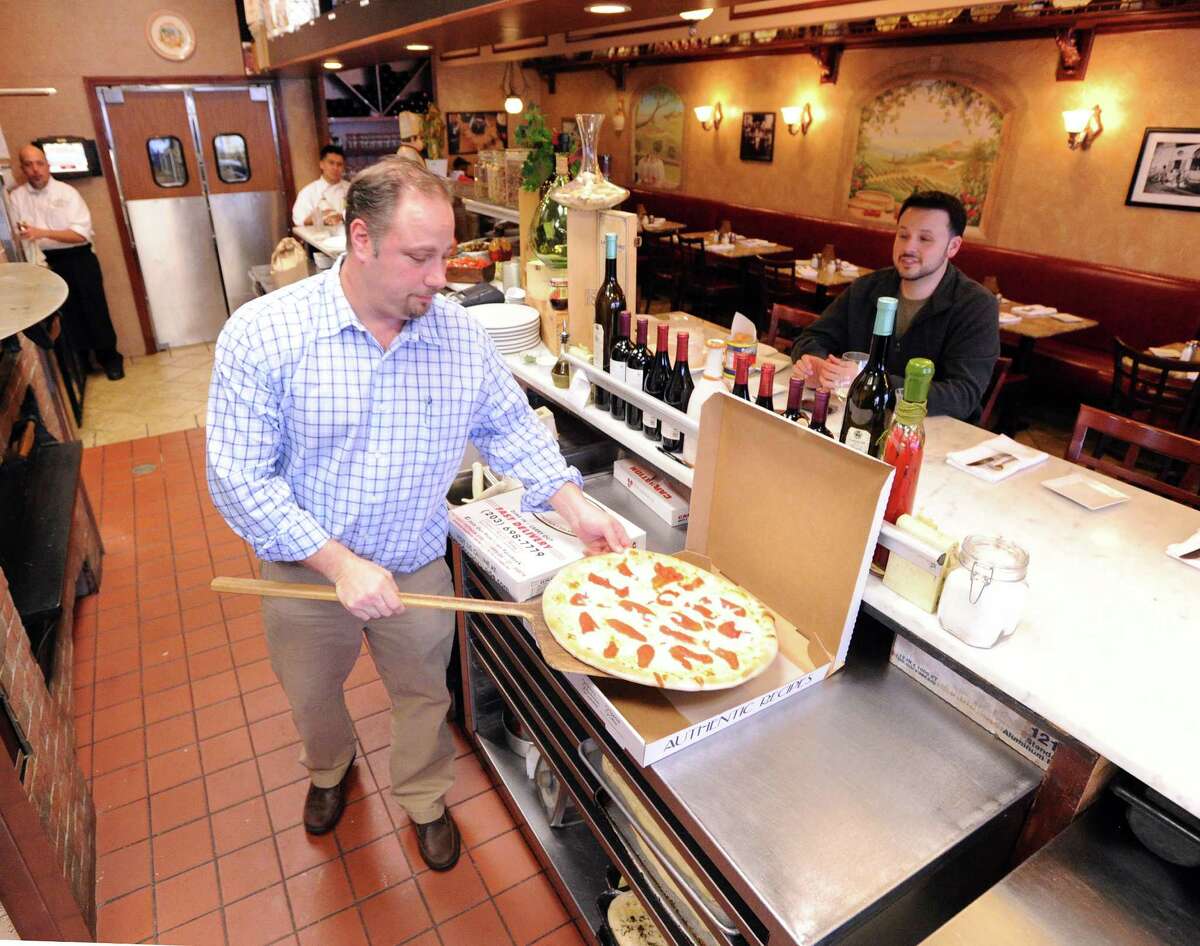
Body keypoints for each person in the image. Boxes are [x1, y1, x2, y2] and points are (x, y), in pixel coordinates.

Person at [207, 158, 630, 871]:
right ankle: (329, 768)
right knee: (312, 694)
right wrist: (339, 565)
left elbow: (509, 426)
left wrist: (570, 501)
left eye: (447, 255)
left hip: (415, 562)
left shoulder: (455, 334)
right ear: (360, 239)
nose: (442, 277)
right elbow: (238, 479)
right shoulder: (265, 335)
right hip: (307, 569)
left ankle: (425, 797)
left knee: (422, 695)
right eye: (421, 257)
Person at [791, 190, 999, 422]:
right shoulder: (867, 287)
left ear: (953, 246)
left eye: (924, 239)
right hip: (856, 418)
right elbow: (812, 338)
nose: (909, 248)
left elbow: (963, 396)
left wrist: (872, 382)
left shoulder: (976, 305)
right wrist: (816, 366)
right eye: (903, 235)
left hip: (929, 433)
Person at [10, 144, 124, 380]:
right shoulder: (16, 198)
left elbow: (81, 234)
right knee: (64, 317)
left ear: (47, 165)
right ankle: (80, 366)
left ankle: (110, 359)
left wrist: (41, 232)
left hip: (78, 258)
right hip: (44, 263)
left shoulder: (67, 193)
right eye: (28, 165)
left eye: (39, 163)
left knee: (94, 311)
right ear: (22, 169)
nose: (35, 170)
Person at [291, 144, 348, 227]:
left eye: (339, 164)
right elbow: (299, 220)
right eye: (331, 163)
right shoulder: (308, 192)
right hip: (318, 238)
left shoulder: (352, 189)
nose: (335, 168)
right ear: (321, 164)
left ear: (343, 167)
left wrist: (342, 217)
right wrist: (319, 218)